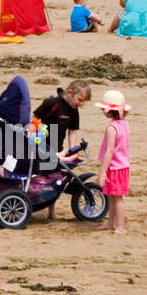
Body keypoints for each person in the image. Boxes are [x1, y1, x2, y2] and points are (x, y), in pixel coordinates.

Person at [33, 80, 93, 219]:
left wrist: (73, 150)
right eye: (80, 100)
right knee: (38, 176)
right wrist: (38, 133)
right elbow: (35, 118)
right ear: (70, 92)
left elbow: (72, 130)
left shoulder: (74, 110)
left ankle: (51, 211)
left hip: (57, 148)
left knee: (54, 179)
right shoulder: (52, 103)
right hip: (40, 146)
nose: (81, 104)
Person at [94, 89, 131, 234]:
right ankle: (111, 222)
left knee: (117, 198)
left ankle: (120, 226)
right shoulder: (124, 124)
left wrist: (102, 171)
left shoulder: (112, 128)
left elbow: (109, 151)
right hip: (121, 164)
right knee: (112, 195)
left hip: (115, 166)